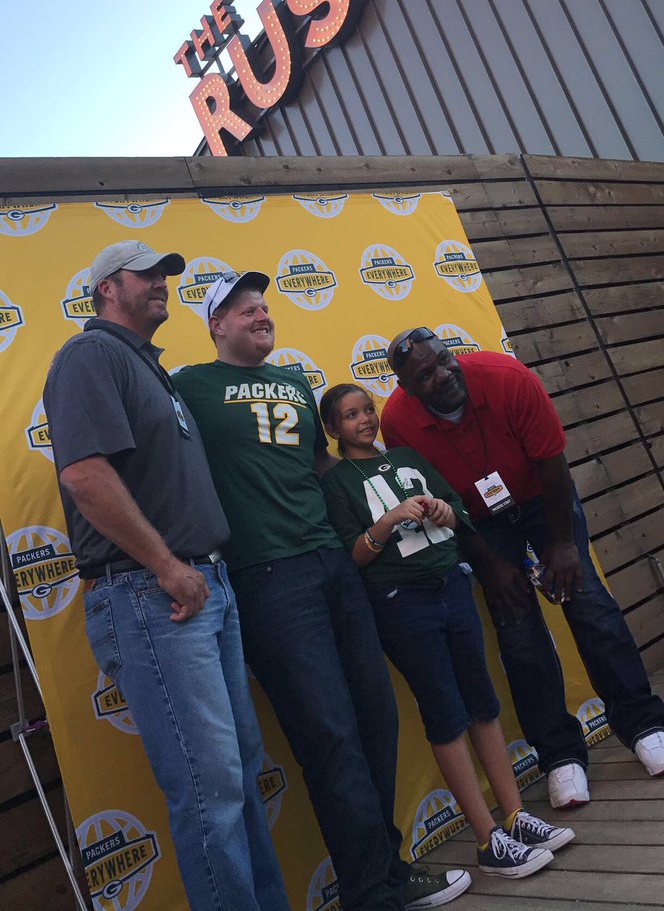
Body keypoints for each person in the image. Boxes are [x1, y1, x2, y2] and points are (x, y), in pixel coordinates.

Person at [174, 271, 470, 911]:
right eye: (243, 309)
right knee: (329, 734)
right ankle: (371, 893)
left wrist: (392, 482)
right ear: (215, 325)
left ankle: (387, 871)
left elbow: (324, 465)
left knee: (376, 717)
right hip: (268, 576)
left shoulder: (296, 385)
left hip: (335, 562)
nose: (260, 314)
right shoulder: (189, 385)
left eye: (263, 306)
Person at [43, 241, 291, 911]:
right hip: (153, 595)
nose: (161, 283)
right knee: (208, 792)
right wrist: (166, 568)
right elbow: (84, 476)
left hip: (198, 590)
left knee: (234, 778)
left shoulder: (147, 368)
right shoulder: (90, 356)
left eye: (165, 275)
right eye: (145, 275)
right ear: (105, 290)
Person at [380, 328, 664, 809]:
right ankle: (560, 756)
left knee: (588, 603)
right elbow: (439, 505)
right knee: (517, 628)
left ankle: (643, 726)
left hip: (542, 497)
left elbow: (552, 463)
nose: (444, 374)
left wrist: (562, 543)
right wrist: (490, 565)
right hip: (477, 522)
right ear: (408, 389)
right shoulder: (398, 423)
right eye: (426, 375)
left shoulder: (506, 377)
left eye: (444, 360)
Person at [319, 381, 574, 879]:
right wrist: (390, 520)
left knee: (482, 702)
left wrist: (443, 511)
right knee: (445, 713)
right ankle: (486, 838)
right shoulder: (337, 483)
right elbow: (353, 555)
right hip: (400, 602)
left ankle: (516, 815)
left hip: (450, 587)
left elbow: (458, 510)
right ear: (332, 429)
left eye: (367, 410)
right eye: (350, 415)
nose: (364, 420)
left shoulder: (409, 457)